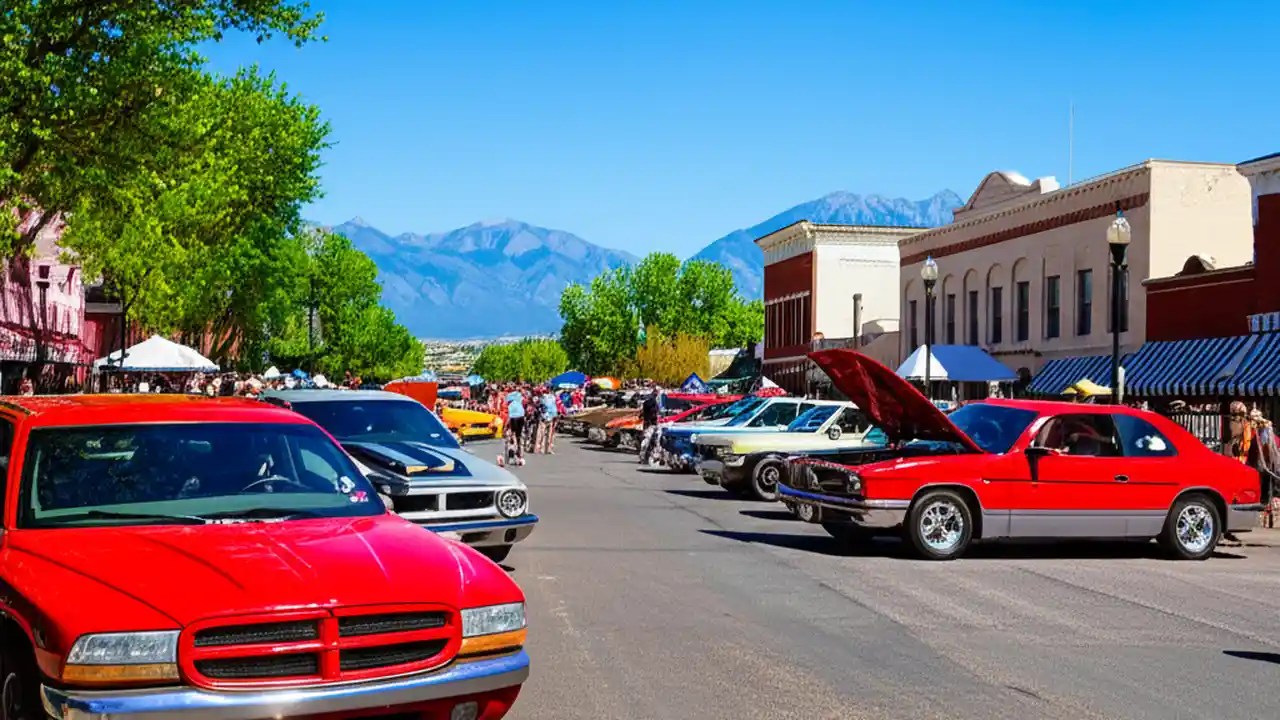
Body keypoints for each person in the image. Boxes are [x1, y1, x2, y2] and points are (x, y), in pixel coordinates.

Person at [638, 386, 663, 465]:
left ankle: (659, 457)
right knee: (646, 441)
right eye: (656, 392)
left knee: (658, 441)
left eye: (657, 392)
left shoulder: (661, 402)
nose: (656, 393)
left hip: (660, 424)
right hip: (650, 424)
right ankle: (643, 457)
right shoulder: (649, 402)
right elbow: (645, 413)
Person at [502, 387, 526, 467]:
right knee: (519, 437)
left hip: (514, 419)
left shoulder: (510, 402)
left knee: (512, 437)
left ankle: (513, 454)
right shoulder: (519, 398)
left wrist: (505, 428)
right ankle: (520, 455)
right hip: (521, 417)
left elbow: (509, 416)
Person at [536, 388, 559, 454]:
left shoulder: (549, 397)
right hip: (547, 416)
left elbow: (553, 407)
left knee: (545, 433)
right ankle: (543, 448)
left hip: (548, 417)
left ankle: (544, 448)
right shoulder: (547, 397)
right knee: (545, 433)